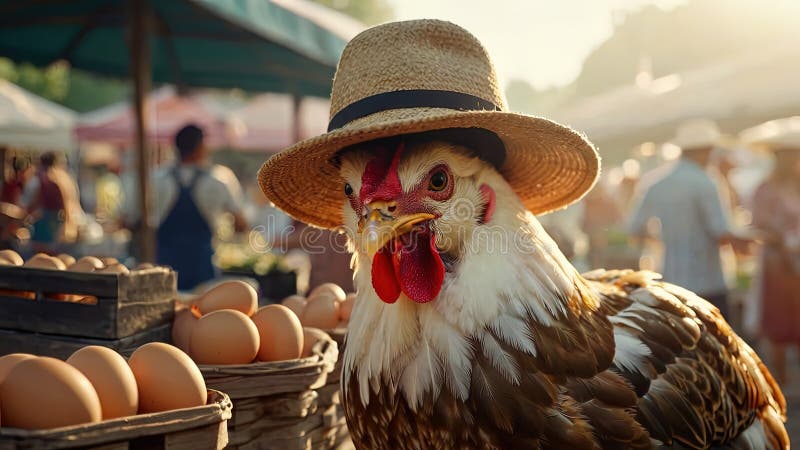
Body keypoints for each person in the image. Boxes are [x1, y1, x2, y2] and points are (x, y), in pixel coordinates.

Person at [628, 119, 746, 317]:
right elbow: (721, 232)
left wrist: (665, 239)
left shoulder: (656, 184)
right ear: (704, 151)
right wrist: (747, 241)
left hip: (669, 280)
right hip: (708, 282)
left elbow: (634, 228)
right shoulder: (706, 181)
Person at [153, 124, 248, 290]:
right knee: (201, 311)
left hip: (163, 268)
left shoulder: (156, 179)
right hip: (202, 267)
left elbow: (130, 220)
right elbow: (241, 224)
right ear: (201, 147)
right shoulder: (219, 178)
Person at [748, 123, 800, 384]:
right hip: (777, 265)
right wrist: (781, 241)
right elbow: (759, 226)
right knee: (778, 325)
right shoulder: (765, 189)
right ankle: (781, 381)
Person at [21, 152, 81, 253]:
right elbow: (73, 202)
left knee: (41, 254)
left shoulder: (41, 177)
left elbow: (31, 201)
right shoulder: (65, 178)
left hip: (46, 218)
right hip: (64, 220)